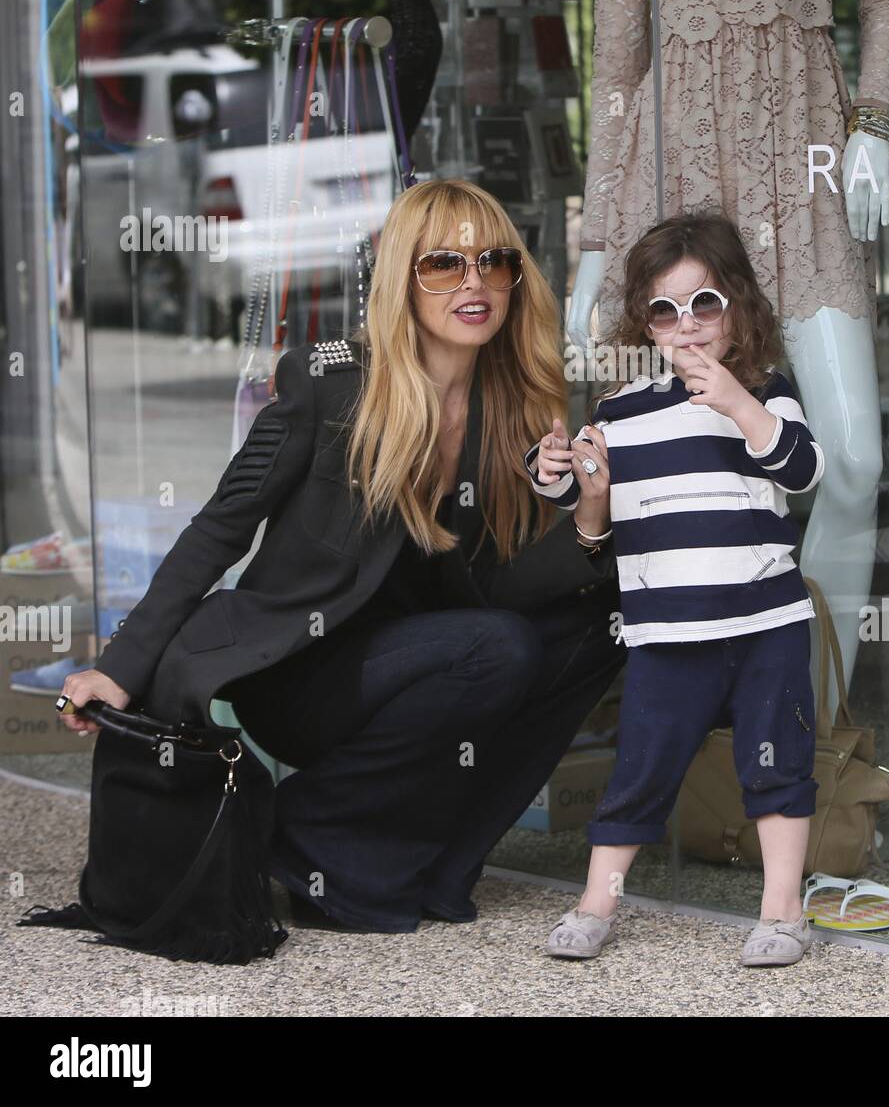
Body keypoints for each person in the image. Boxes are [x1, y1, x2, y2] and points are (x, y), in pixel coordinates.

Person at [60, 178, 624, 933]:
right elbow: (220, 528)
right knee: (498, 648)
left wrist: (588, 524)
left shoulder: (517, 403)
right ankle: (298, 830)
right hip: (301, 671)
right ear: (402, 277)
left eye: (494, 262)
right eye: (442, 265)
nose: (474, 282)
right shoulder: (331, 385)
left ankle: (443, 863)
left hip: (424, 654)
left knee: (599, 626)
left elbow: (495, 587)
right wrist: (120, 665)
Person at [529, 212, 824, 966]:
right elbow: (591, 507)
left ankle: (783, 912)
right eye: (666, 309)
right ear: (646, 323)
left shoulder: (765, 392)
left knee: (776, 761)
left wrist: (734, 400)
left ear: (739, 308)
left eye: (706, 304)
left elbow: (801, 469)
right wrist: (556, 473)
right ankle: (599, 901)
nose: (687, 324)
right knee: (643, 764)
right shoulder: (622, 412)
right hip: (666, 630)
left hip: (766, 622)